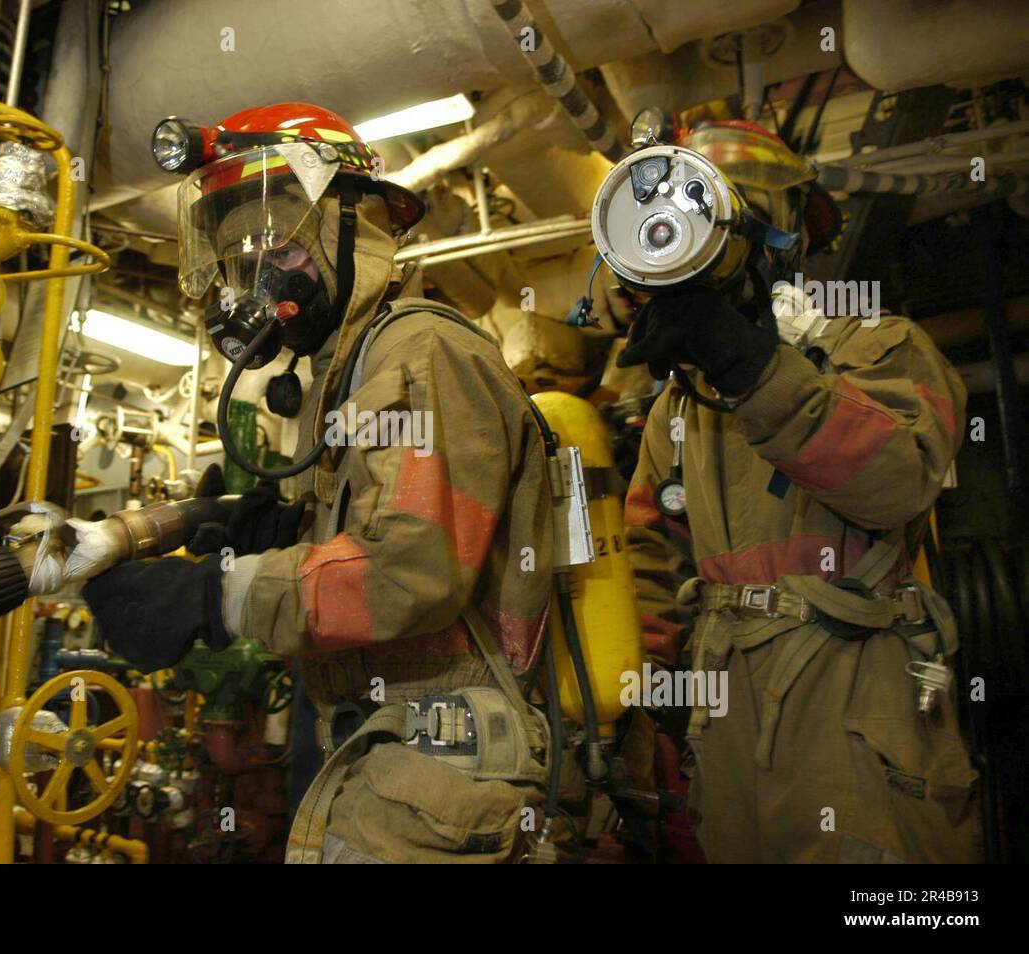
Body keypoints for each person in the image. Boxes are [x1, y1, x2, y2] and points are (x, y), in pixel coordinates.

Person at [83, 103, 555, 863]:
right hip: (387, 752)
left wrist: (219, 595)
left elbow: (413, 569)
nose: (257, 273)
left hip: (440, 766)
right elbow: (376, 540)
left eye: (277, 240)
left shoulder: (418, 352)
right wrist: (277, 533)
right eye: (238, 252)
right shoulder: (354, 367)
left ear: (351, 223)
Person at [617, 121, 982, 862]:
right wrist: (653, 706)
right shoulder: (683, 405)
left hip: (852, 680)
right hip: (723, 705)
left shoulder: (878, 346)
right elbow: (655, 562)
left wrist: (751, 368)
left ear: (781, 230)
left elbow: (897, 483)